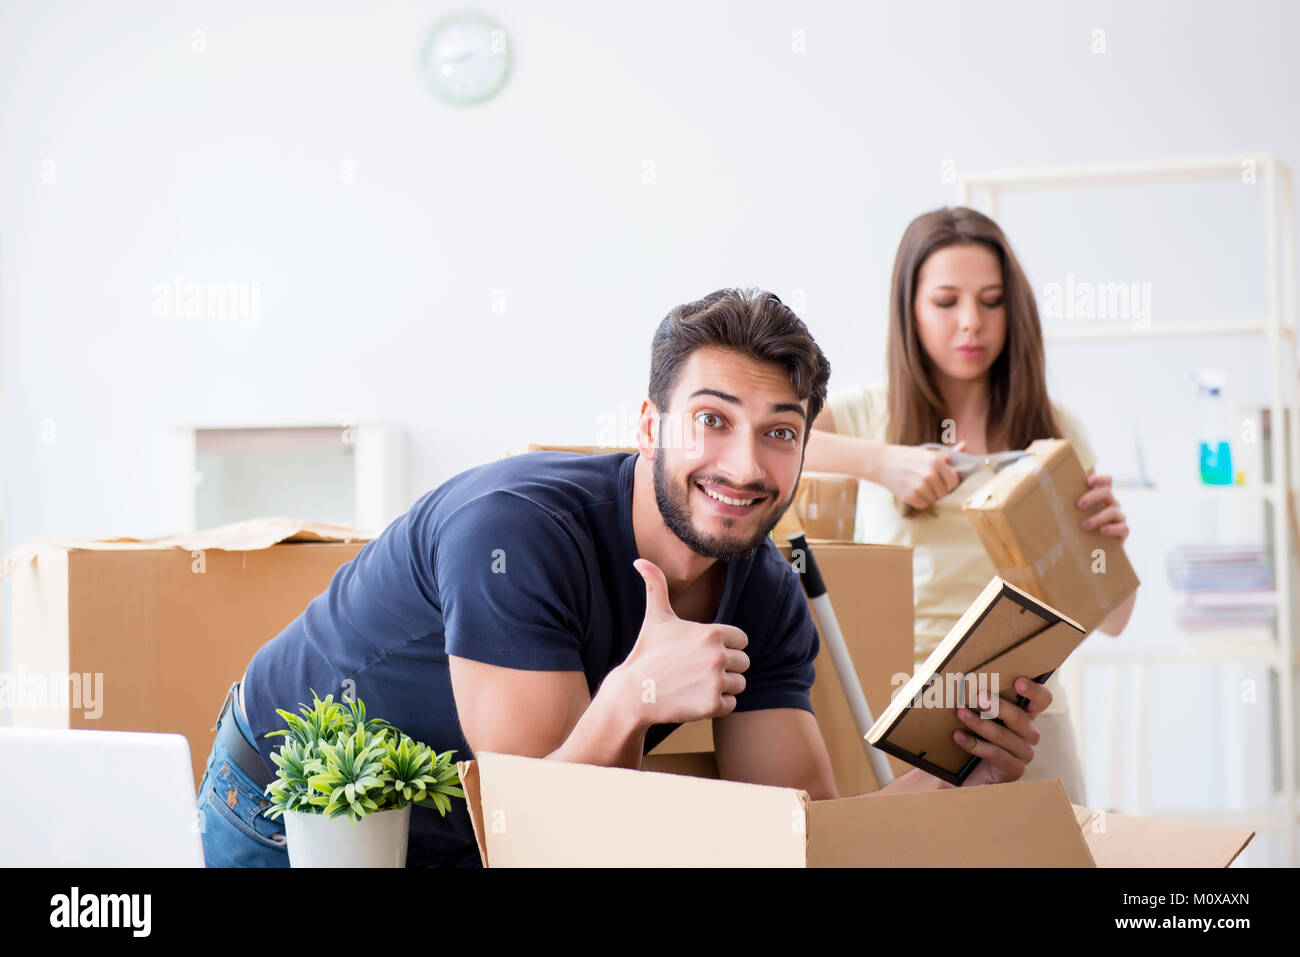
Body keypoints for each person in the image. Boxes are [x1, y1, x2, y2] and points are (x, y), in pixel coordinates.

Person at [196, 286, 1055, 867]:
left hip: (461, 837)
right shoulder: (516, 535)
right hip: (291, 817)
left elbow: (798, 836)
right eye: (712, 421)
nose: (743, 465)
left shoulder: (763, 589)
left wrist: (950, 782)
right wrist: (633, 695)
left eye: (779, 432)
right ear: (652, 424)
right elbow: (534, 832)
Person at [804, 207, 1137, 805]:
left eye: (990, 301)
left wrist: (1105, 549)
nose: (970, 324)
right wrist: (882, 462)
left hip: (1023, 723)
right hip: (905, 721)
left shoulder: (1056, 433)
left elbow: (1115, 620)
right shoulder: (865, 415)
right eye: (946, 301)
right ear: (909, 309)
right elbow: (765, 443)